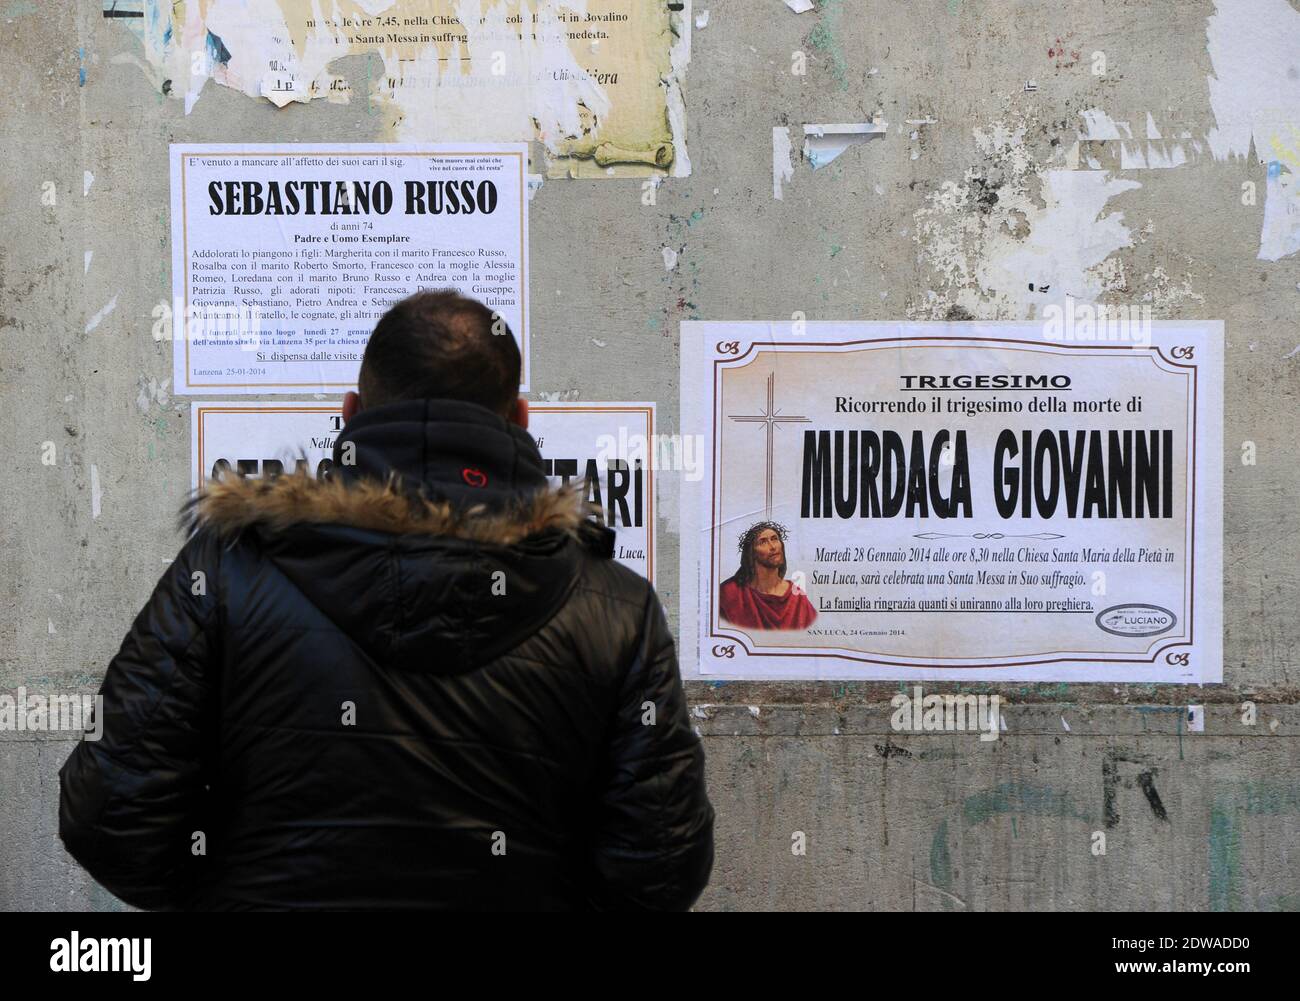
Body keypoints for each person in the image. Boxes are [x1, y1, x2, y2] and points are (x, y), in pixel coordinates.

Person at [57, 290, 714, 911]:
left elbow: (108, 814)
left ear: (348, 412)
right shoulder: (615, 605)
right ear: (519, 419)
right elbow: (661, 862)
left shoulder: (230, 570)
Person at [719, 521, 817, 630]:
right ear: (752, 553)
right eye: (763, 542)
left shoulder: (796, 595)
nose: (772, 547)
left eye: (775, 539)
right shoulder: (729, 593)